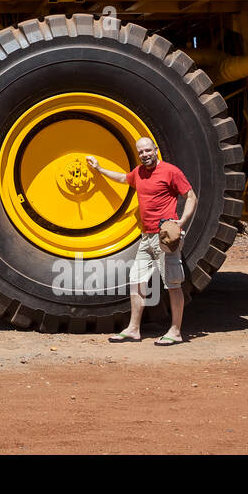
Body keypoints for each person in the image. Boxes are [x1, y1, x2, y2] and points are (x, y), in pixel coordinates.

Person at [86, 138, 196, 345]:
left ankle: (175, 331)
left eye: (148, 150)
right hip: (146, 238)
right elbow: (122, 178)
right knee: (136, 282)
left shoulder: (171, 171)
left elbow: (191, 196)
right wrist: (100, 169)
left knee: (173, 284)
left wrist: (181, 221)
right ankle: (133, 329)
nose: (145, 154)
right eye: (141, 152)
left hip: (165, 238)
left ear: (156, 150)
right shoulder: (138, 172)